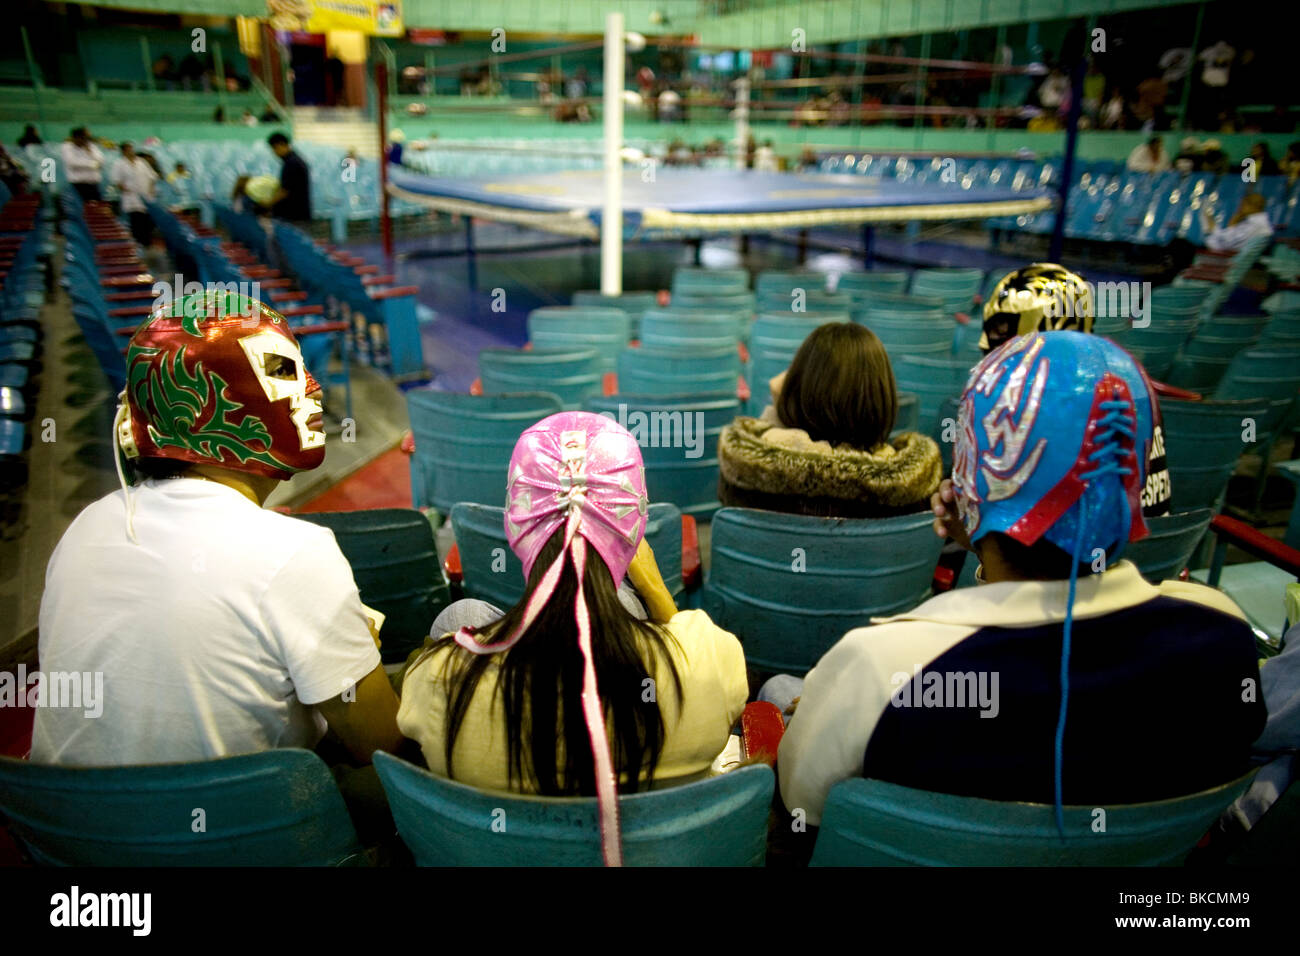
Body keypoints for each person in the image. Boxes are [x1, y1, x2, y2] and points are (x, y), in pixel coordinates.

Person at [774, 332, 1266, 845]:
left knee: (785, 691)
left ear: (971, 475)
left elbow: (801, 804)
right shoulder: (1225, 634)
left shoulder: (884, 667)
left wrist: (986, 542)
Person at [32, 291, 403, 768]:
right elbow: (382, 746)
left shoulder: (87, 525)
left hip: (64, 832)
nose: (312, 388)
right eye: (283, 370)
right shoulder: (293, 554)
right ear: (202, 408)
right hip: (232, 834)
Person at [396, 412, 748, 865]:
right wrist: (656, 590)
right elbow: (690, 653)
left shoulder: (440, 679)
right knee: (618, 599)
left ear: (518, 526)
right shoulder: (708, 655)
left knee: (459, 615)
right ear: (633, 525)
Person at [978, 263, 1172, 518]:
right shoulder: (1129, 381)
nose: (985, 345)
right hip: (1151, 552)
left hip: (1077, 552)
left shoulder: (1045, 409)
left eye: (1000, 331)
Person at [718, 323, 942, 518]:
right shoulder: (911, 490)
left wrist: (785, 405)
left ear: (795, 386)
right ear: (883, 396)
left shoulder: (746, 474)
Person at [110, 142, 157, 247]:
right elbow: (116, 180)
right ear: (124, 151)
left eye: (132, 149)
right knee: (136, 222)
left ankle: (147, 244)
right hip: (131, 198)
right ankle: (138, 245)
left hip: (145, 196)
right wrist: (125, 189)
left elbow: (152, 177)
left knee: (146, 222)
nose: (131, 151)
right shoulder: (119, 164)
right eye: (129, 149)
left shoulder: (141, 162)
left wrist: (151, 189)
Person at [1203, 192, 1273, 252]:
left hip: (1222, 256)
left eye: (1242, 205)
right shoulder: (1260, 222)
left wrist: (1231, 225)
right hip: (1223, 251)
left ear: (1253, 206)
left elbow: (1228, 242)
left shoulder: (1254, 224)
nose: (1240, 208)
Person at [266, 131, 311, 224]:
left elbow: (284, 191)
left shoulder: (292, 163)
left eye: (275, 148)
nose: (274, 153)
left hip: (293, 215)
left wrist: (267, 204)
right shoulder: (294, 160)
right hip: (298, 213)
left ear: (282, 145)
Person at [61, 126, 104, 202]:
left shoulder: (91, 147)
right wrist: (93, 165)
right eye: (84, 138)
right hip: (79, 184)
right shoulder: (67, 147)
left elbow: (100, 161)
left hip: (93, 183)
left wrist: (90, 152)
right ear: (77, 137)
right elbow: (73, 163)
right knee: (86, 206)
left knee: (98, 207)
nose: (86, 140)